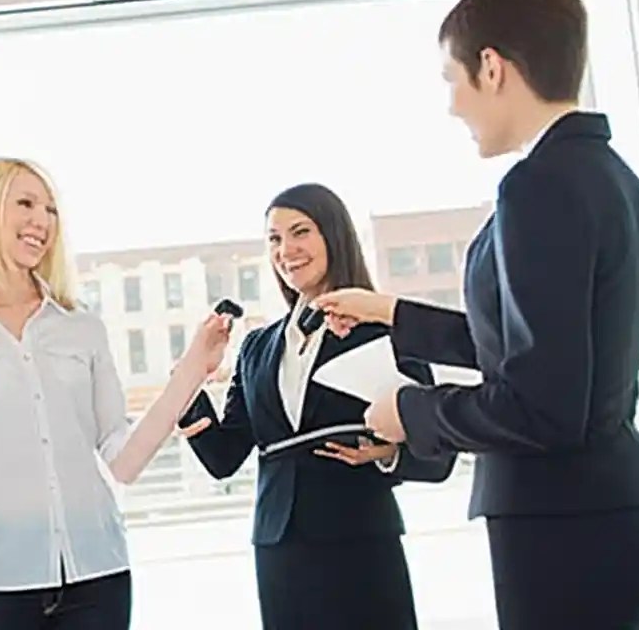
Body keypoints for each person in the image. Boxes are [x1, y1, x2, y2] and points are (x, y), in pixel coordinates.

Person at [314, 0, 639, 630]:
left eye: (452, 80)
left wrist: (410, 411)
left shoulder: (535, 187)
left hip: (566, 530)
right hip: (627, 518)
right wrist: (394, 315)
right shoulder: (615, 178)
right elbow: (544, 348)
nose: (454, 105)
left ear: (492, 68)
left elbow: (539, 408)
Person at [0, 157, 233, 629]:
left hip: (97, 575)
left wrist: (194, 367)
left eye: (50, 210)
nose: (42, 221)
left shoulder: (81, 326)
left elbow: (123, 459)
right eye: (26, 203)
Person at [177, 183, 456, 630]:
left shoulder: (381, 328)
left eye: (300, 232)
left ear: (333, 236)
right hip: (279, 548)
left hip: (360, 542)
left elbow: (439, 450)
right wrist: (190, 379)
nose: (286, 250)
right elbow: (223, 457)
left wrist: (387, 454)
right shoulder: (256, 347)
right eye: (274, 238)